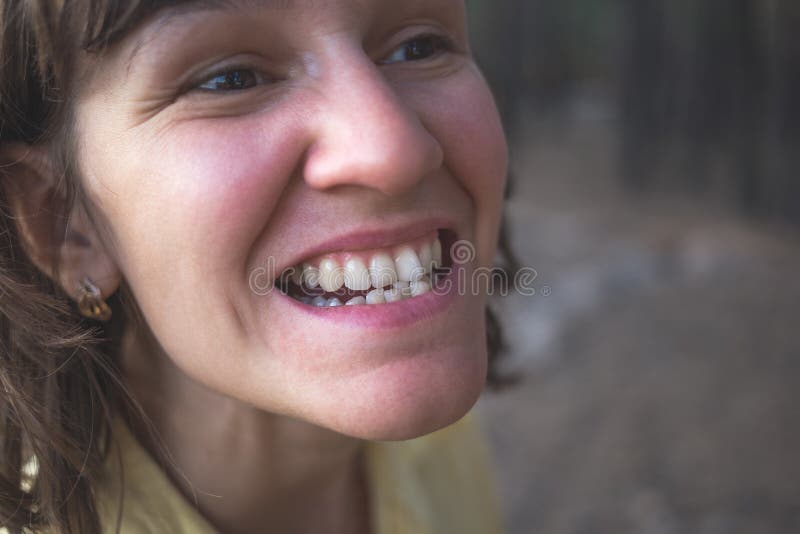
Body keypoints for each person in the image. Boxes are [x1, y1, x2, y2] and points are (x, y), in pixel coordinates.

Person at [0, 1, 511, 533]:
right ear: (65, 223)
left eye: (419, 47)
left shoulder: (440, 450)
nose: (392, 151)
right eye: (231, 80)